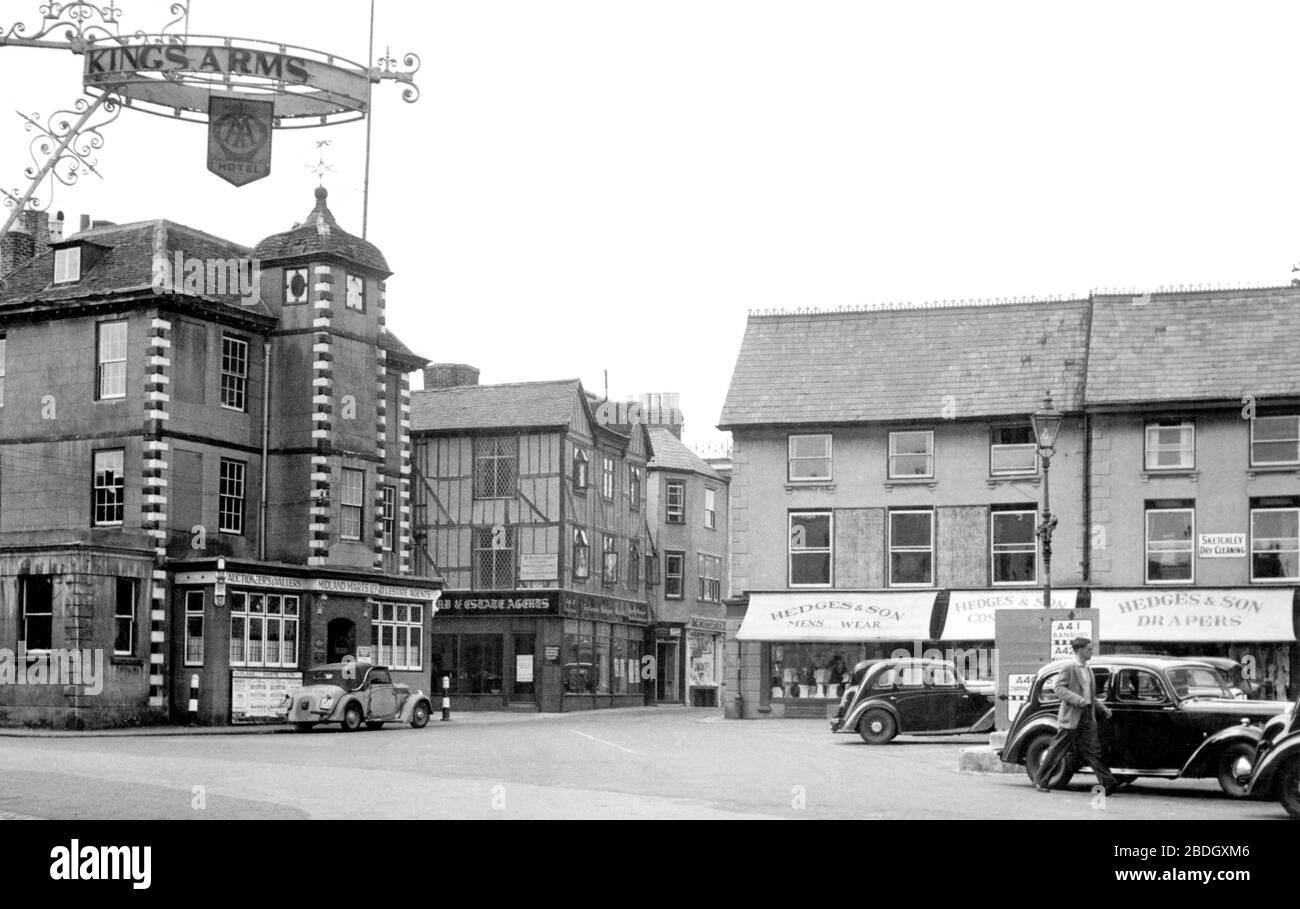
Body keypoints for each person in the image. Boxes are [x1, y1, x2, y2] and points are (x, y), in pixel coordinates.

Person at [1034, 637, 1119, 795]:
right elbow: (1058, 688)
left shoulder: (1088, 669)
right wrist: (1077, 700)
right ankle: (1041, 780)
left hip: (1087, 714)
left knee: (1093, 750)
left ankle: (1108, 783)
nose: (1091, 651)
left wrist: (1102, 708)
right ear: (1080, 650)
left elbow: (1090, 696)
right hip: (1072, 715)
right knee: (1057, 749)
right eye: (1089, 648)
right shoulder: (1069, 668)